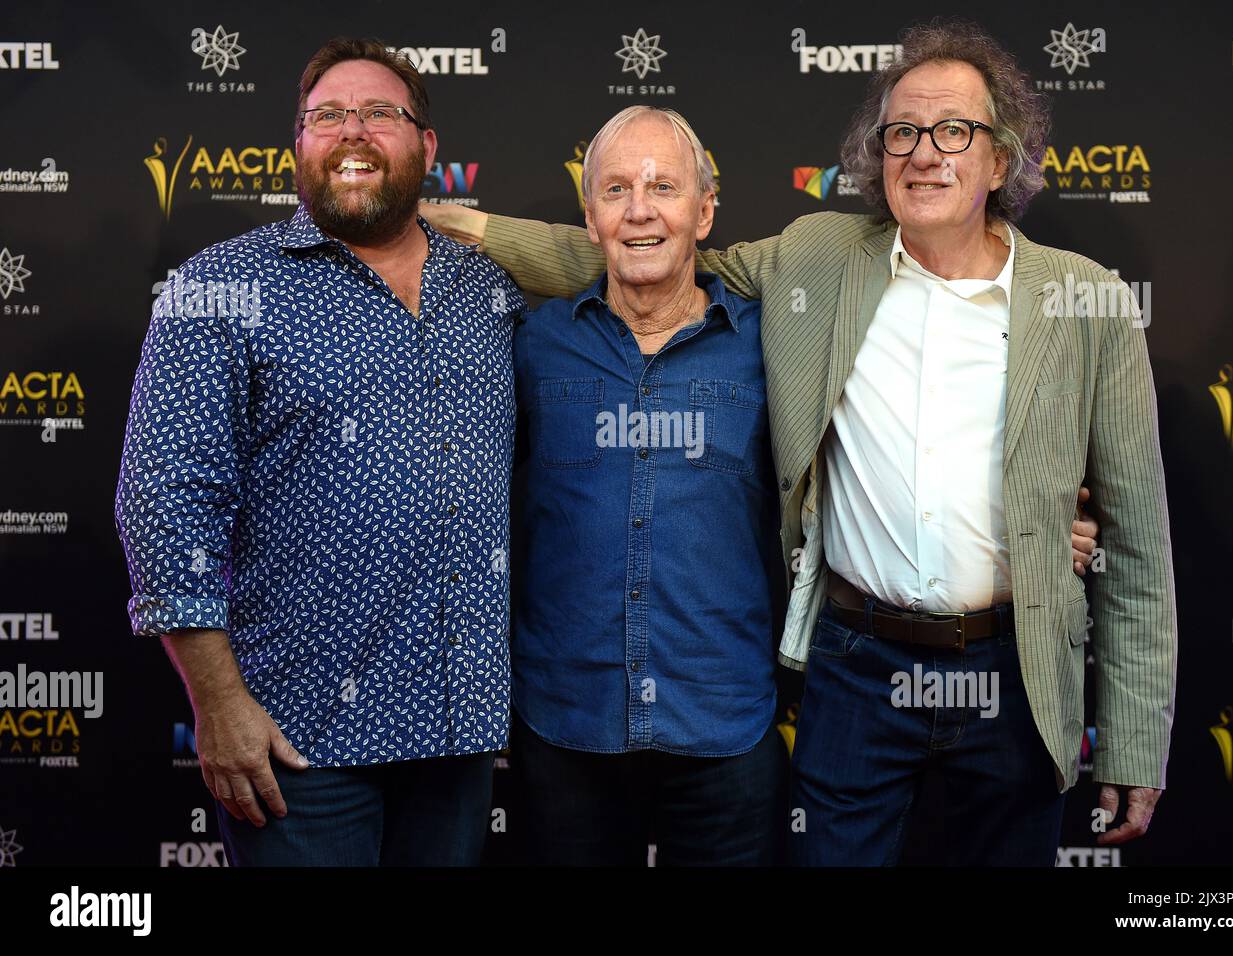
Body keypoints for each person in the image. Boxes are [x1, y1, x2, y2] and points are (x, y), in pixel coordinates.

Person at [418, 17, 1173, 866]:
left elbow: (1139, 546)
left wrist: (1135, 741)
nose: (925, 153)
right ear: (876, 155)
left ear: (1000, 159)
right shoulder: (817, 259)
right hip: (856, 673)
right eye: (902, 133)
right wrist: (461, 230)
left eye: (954, 131)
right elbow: (648, 256)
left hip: (1016, 673)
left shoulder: (1086, 301)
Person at [115, 37, 524, 866]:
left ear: (427, 147)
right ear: (298, 143)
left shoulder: (490, 289)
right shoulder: (220, 288)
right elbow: (163, 500)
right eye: (327, 116)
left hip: (457, 732)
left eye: (381, 113)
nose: (353, 132)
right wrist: (217, 703)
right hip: (296, 744)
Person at [507, 106, 789, 865]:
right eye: (616, 189)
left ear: (703, 212)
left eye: (664, 187)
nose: (640, 209)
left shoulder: (771, 346)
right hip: (567, 724)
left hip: (724, 723)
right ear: (590, 216)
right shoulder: (535, 342)